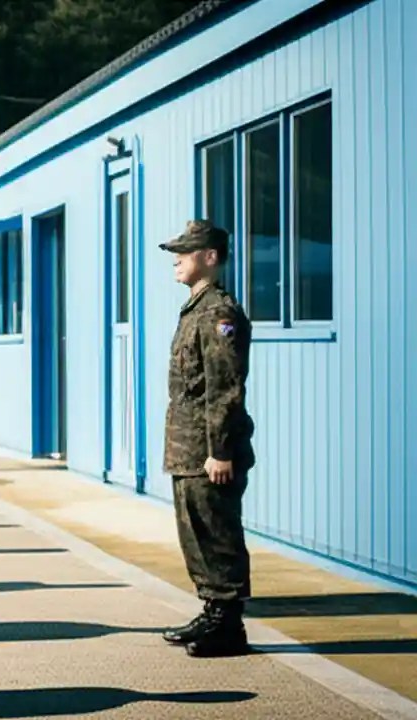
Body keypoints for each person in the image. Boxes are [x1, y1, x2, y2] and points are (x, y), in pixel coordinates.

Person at [157, 219, 255, 659]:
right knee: (195, 534)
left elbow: (224, 387)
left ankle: (228, 625)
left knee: (217, 535)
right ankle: (213, 610)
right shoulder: (195, 308)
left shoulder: (219, 313)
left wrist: (220, 451)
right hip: (187, 449)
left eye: (186, 250)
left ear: (210, 257)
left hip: (208, 452)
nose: (177, 258)